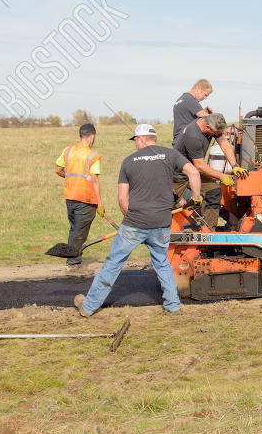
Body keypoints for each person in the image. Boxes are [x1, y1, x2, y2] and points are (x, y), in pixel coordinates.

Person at [75, 124, 201, 317]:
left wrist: (130, 220)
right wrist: (196, 197)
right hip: (162, 222)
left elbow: (122, 199)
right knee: (162, 263)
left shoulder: (128, 161)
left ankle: (89, 307)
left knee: (113, 263)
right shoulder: (170, 155)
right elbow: (193, 172)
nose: (135, 144)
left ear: (140, 139)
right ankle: (173, 306)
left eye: (135, 140)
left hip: (134, 222)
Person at [173, 110, 245, 230]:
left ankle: (208, 230)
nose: (215, 135)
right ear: (207, 127)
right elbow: (200, 166)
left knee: (214, 191)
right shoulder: (193, 135)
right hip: (178, 174)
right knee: (173, 203)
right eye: (215, 133)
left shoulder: (211, 122)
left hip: (193, 170)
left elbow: (224, 144)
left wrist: (235, 166)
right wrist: (222, 176)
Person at [55, 123, 104, 266]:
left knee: (74, 230)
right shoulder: (94, 156)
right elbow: (94, 180)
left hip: (70, 197)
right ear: (92, 136)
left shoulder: (68, 150)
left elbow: (58, 170)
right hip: (86, 199)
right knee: (79, 233)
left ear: (80, 136)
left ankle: (72, 259)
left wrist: (71, 178)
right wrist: (100, 204)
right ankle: (73, 263)